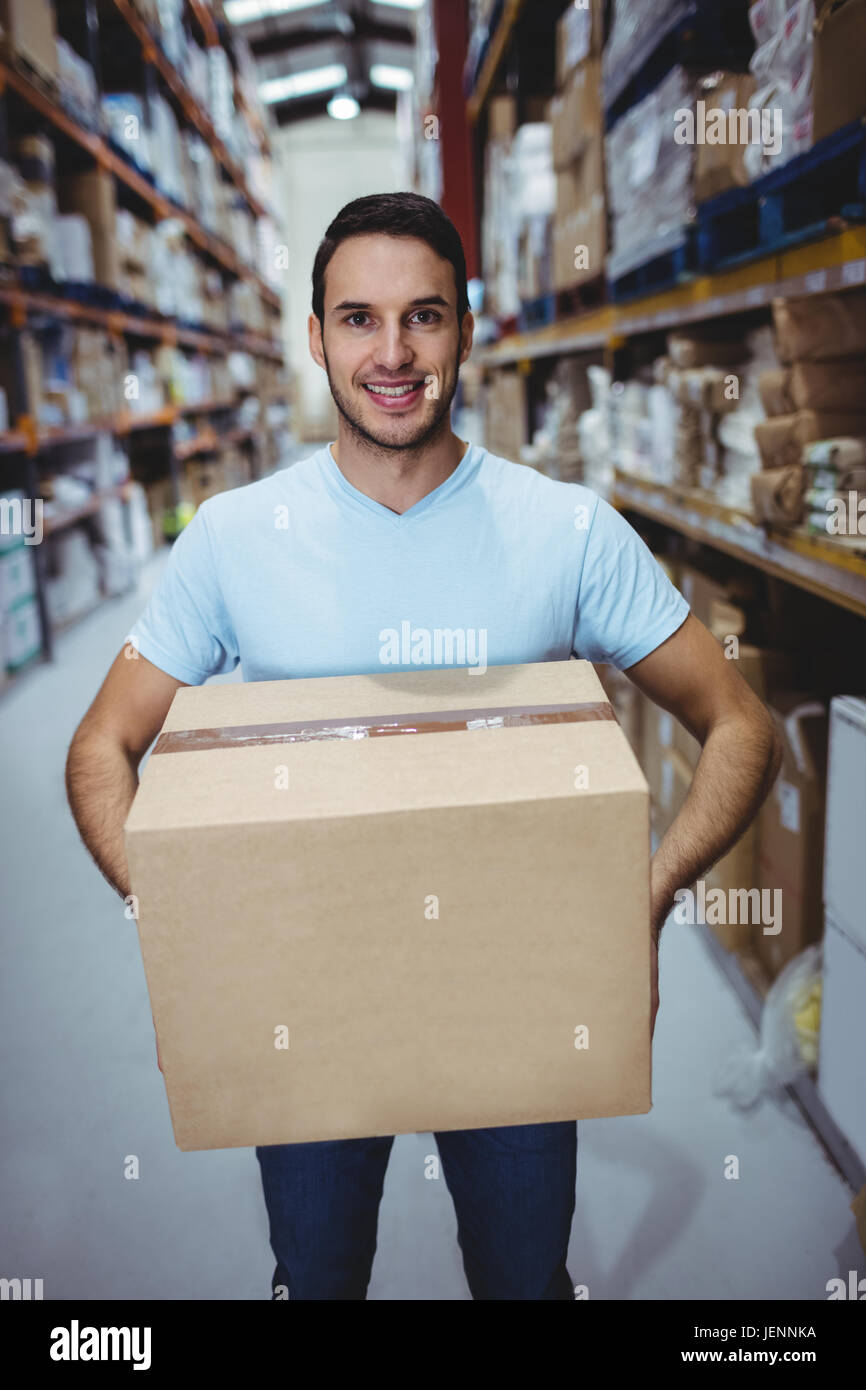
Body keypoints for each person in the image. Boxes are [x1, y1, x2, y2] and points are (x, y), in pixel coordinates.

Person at [66, 191, 782, 1301]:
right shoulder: (236, 540)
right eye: (357, 318)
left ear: (466, 328)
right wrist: (181, 925)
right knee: (314, 1278)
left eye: (423, 317)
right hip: (298, 980)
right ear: (314, 337)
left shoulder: (567, 530)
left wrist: (640, 895)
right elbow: (101, 745)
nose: (391, 353)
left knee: (519, 1278)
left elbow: (740, 723)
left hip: (518, 982)